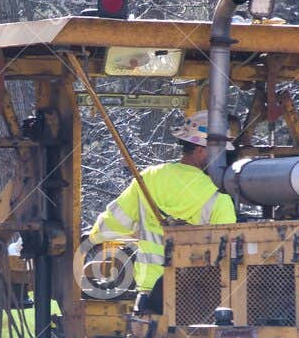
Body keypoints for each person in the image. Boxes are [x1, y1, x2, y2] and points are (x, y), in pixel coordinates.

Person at [85, 110, 238, 293]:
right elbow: (229, 256)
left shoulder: (148, 178)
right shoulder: (219, 197)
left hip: (149, 292)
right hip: (194, 296)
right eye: (220, 153)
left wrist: (94, 237)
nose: (223, 160)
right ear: (200, 150)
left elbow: (108, 229)